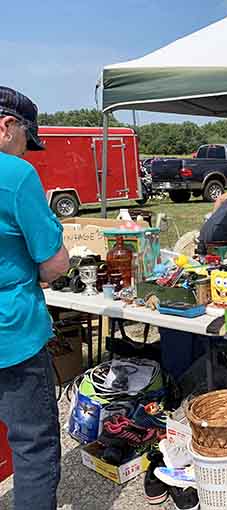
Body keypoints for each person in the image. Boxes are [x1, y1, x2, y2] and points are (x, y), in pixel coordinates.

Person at [0, 87, 70, 509]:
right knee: (33, 447)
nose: (26, 153)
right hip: (11, 332)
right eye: (27, 141)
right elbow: (55, 262)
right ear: (7, 126)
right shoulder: (14, 174)